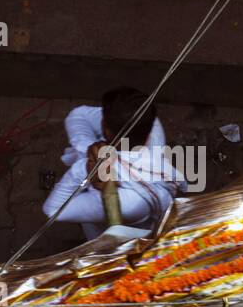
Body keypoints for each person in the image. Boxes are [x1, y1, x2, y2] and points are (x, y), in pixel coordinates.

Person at [44, 89, 179, 240]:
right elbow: (78, 115)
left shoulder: (128, 202)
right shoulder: (152, 126)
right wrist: (87, 147)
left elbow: (54, 210)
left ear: (104, 128)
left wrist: (84, 168)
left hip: (116, 244)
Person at [60, 87, 167, 167]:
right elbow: (79, 115)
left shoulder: (146, 170)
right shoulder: (141, 117)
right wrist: (87, 148)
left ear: (106, 131)